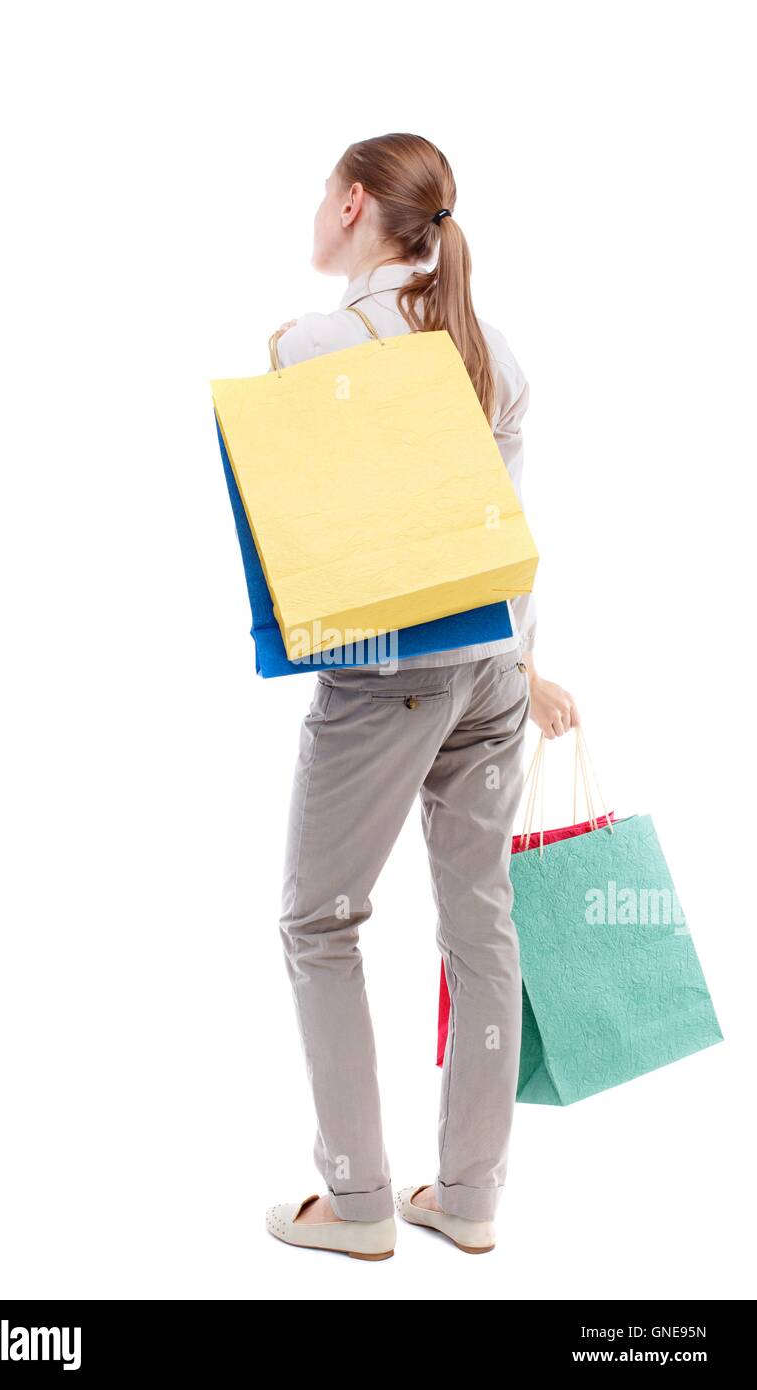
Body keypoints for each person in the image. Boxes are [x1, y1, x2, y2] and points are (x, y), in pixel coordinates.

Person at [264, 134, 578, 1260]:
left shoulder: (311, 346)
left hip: (383, 682)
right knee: (479, 926)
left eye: (320, 194)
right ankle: (469, 1194)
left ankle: (354, 1203)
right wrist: (525, 668)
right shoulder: (490, 345)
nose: (314, 210)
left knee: (318, 920)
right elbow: (508, 541)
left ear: (353, 203)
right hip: (492, 670)